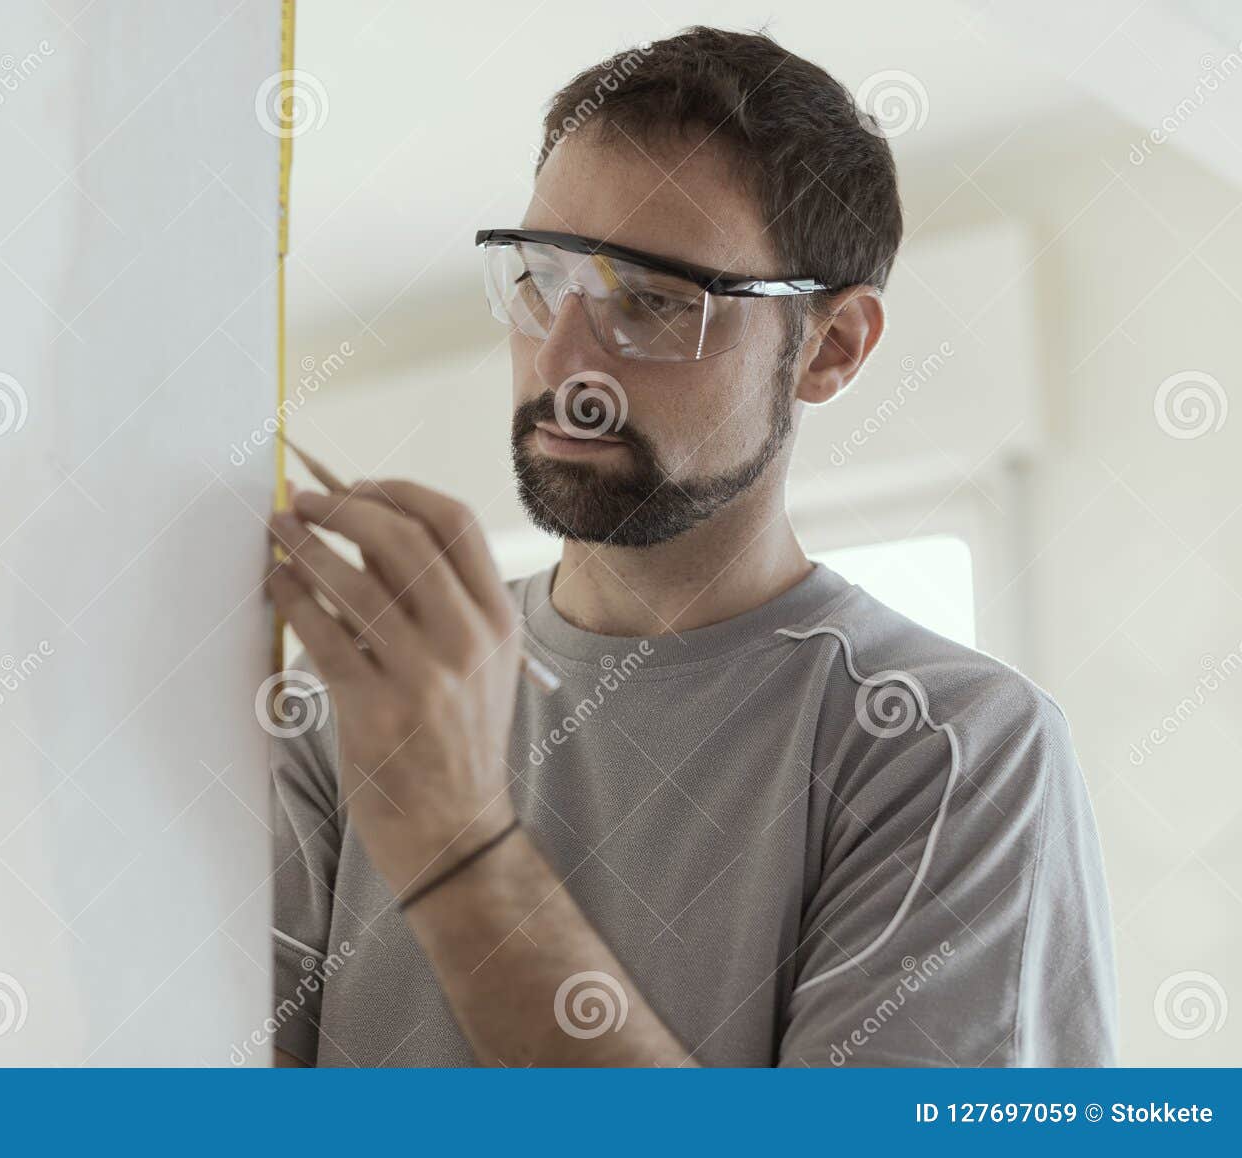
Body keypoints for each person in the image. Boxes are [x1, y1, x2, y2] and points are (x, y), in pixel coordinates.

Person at [265, 25, 1116, 1067]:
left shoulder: (954, 753)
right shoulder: (353, 705)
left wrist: (456, 847)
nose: (566, 360)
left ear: (830, 347)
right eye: (540, 275)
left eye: (655, 301)